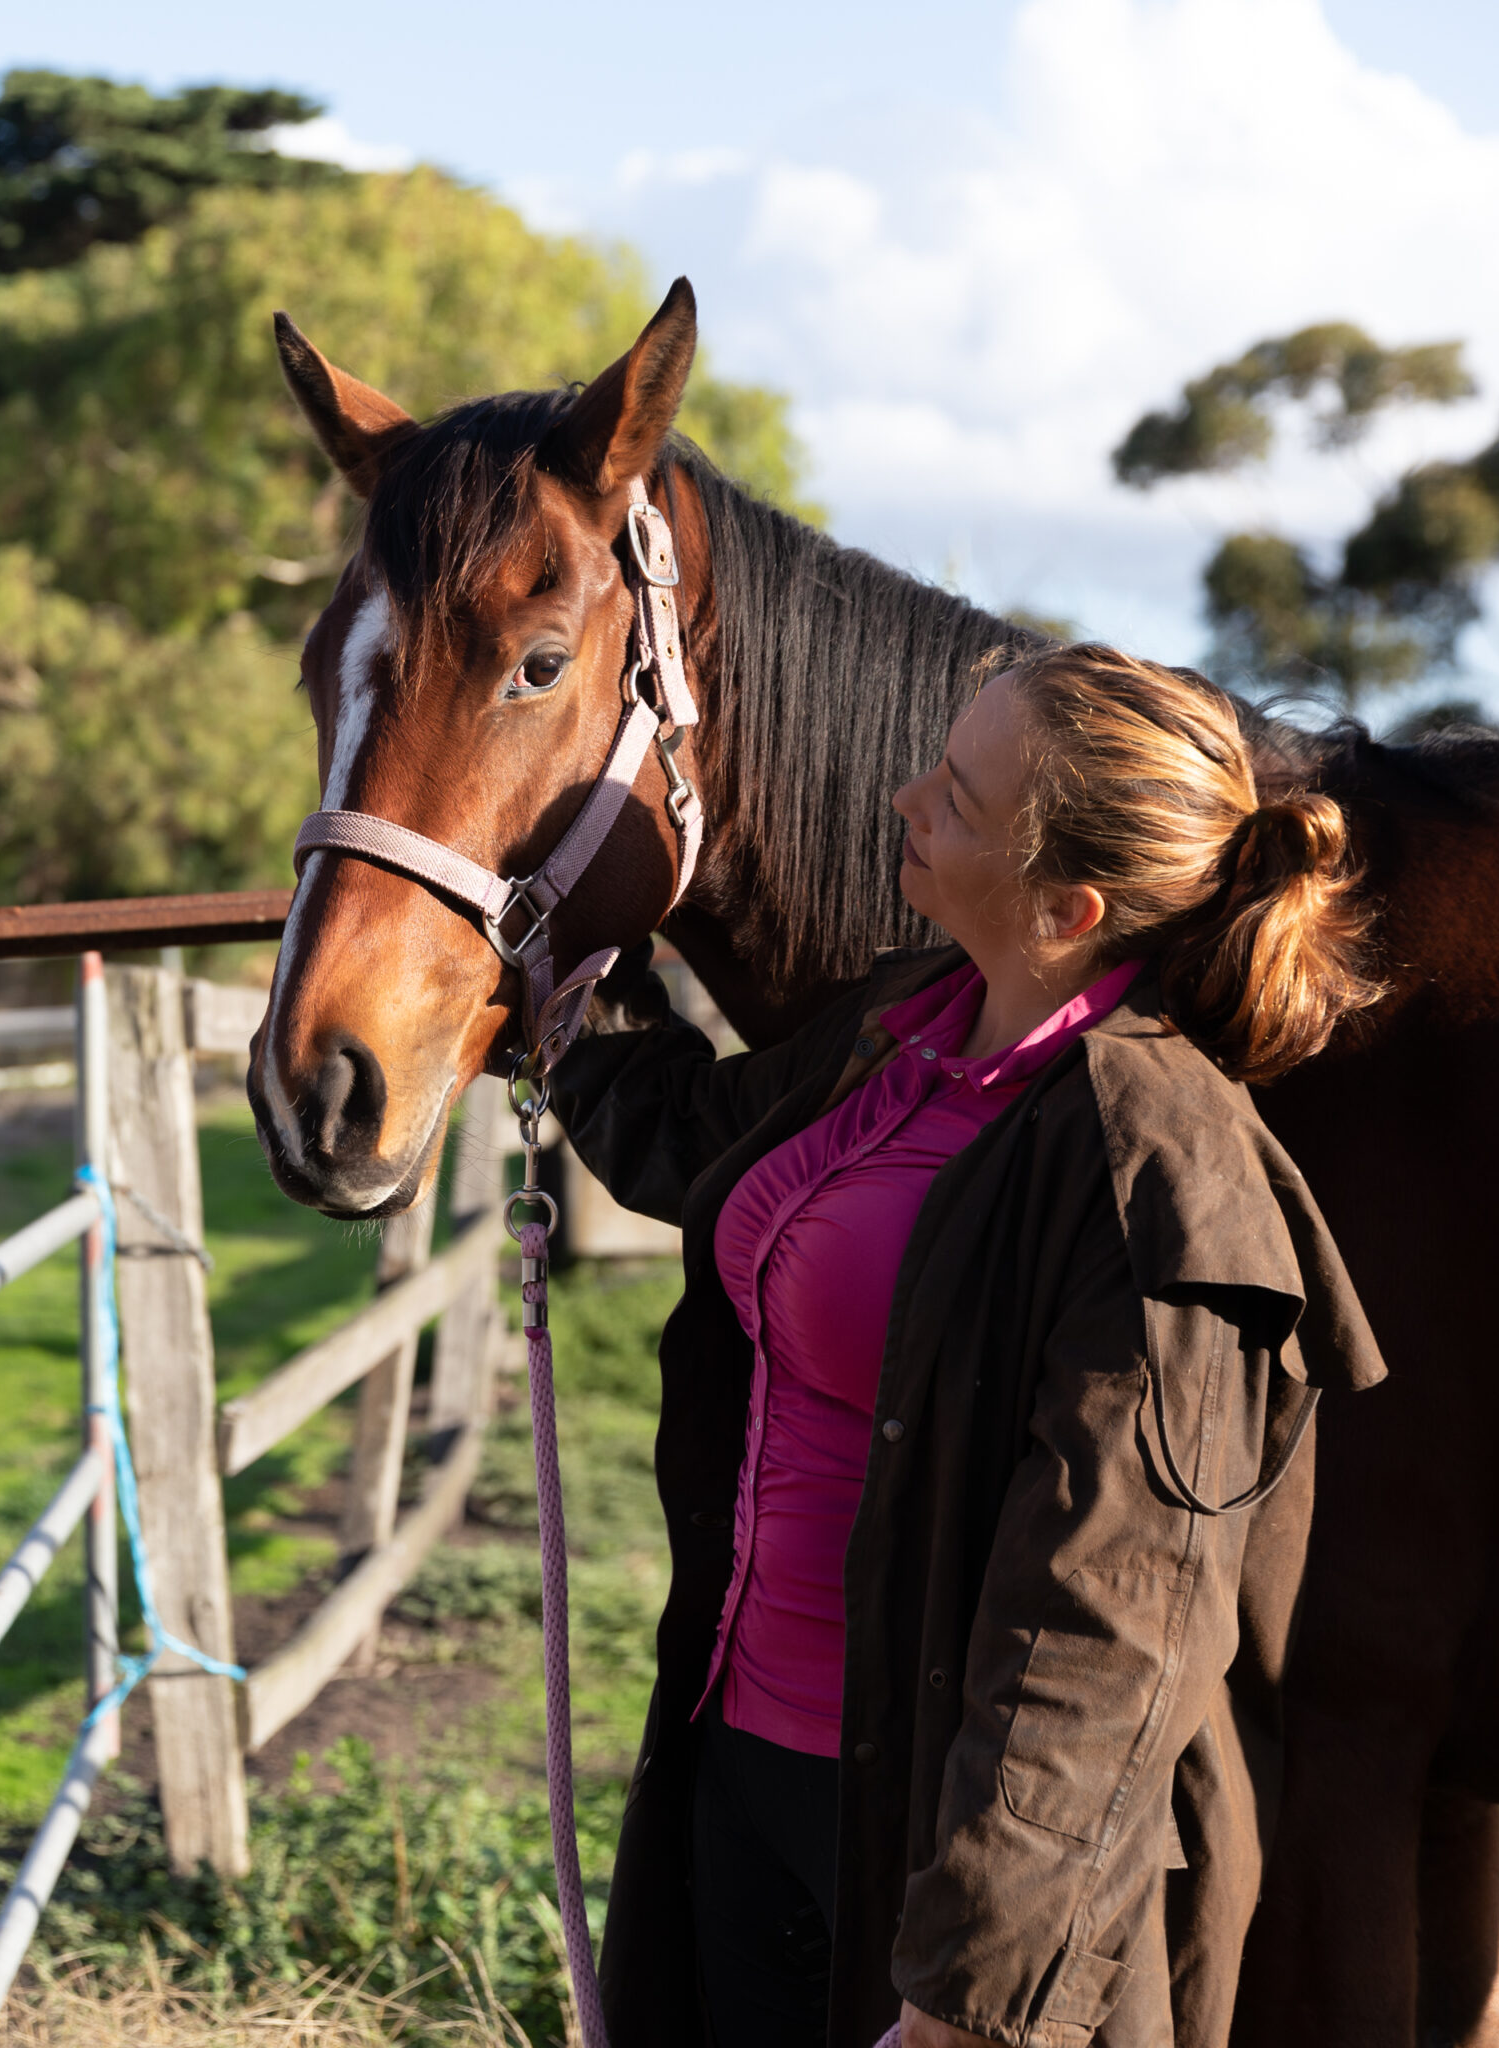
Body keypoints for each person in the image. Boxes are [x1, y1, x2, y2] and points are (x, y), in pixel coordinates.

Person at [547, 643, 1390, 2048]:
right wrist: (558, 992)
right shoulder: (905, 1024)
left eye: (955, 793)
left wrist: (974, 1986)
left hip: (950, 1868)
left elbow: (1111, 1624)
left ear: (1069, 902)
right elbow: (704, 1140)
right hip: (745, 1758)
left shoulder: (1162, 1178)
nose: (902, 800)